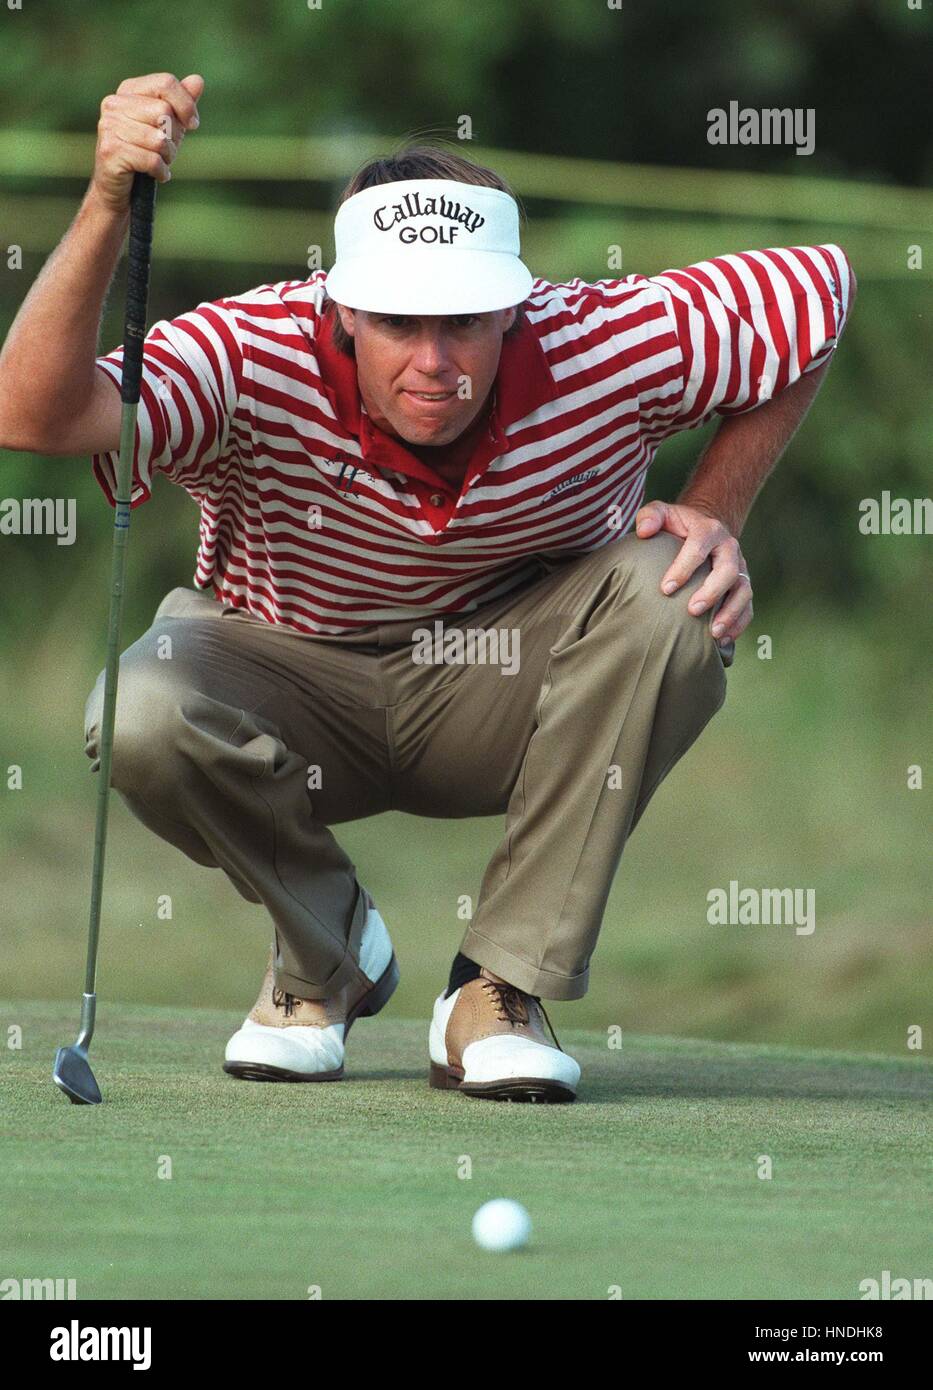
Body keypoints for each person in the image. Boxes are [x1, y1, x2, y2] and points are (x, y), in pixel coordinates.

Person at [0, 73, 855, 1103]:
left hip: (507, 691)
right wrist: (103, 201)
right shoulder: (249, 351)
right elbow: (33, 415)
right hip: (289, 676)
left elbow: (817, 296)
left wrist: (717, 509)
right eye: (402, 322)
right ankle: (327, 957)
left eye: (466, 322)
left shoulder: (601, 339)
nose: (436, 362)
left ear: (515, 303)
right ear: (344, 305)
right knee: (138, 704)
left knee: (674, 594)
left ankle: (496, 990)